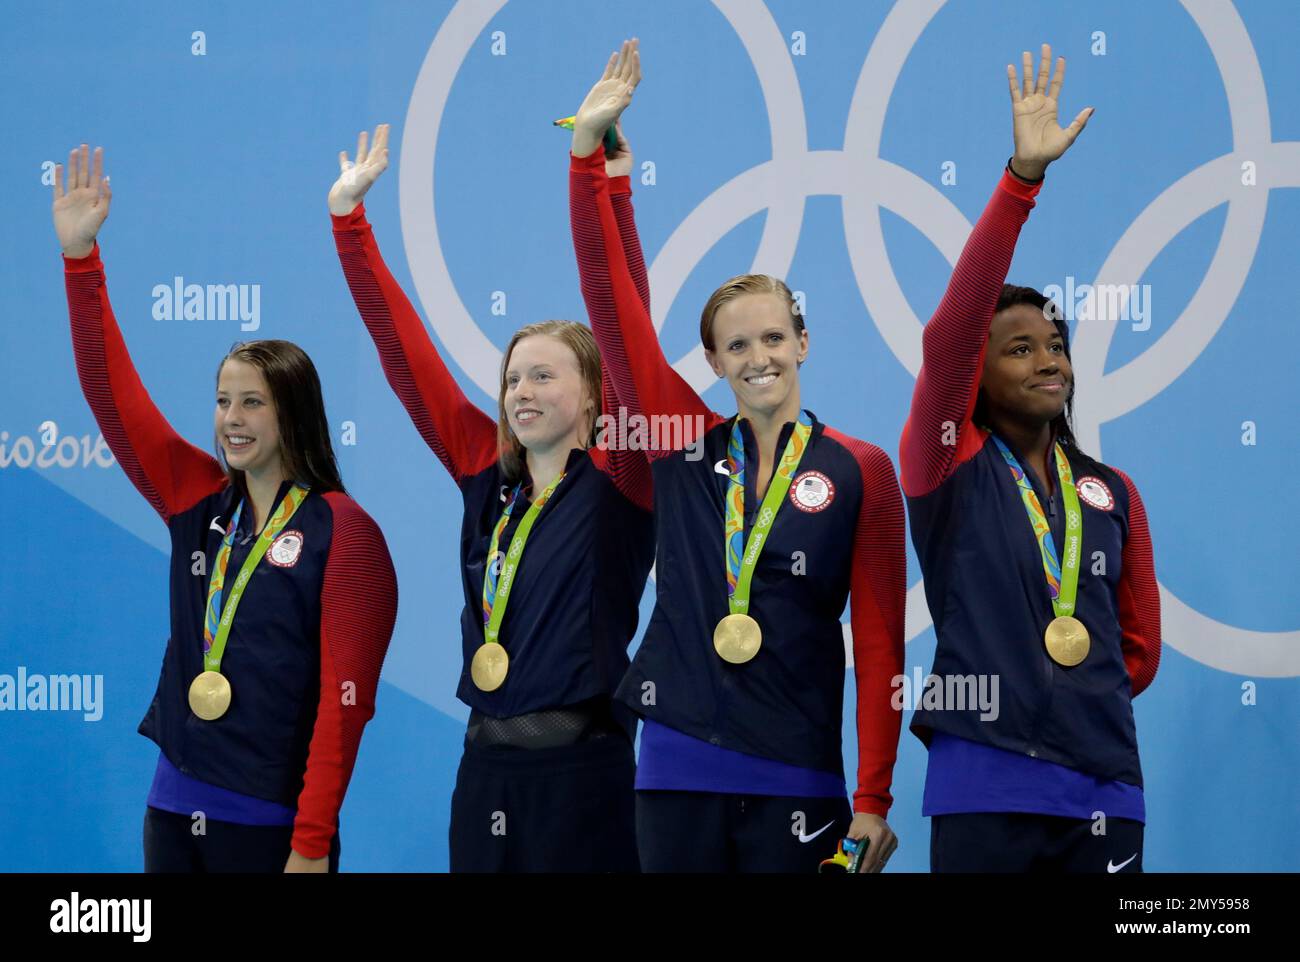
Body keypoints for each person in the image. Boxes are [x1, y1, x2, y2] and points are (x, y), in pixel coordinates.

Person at [569, 40, 905, 873]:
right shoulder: (680, 443)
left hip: (800, 773)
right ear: (712, 365)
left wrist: (872, 797)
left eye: (773, 337)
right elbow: (614, 310)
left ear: (804, 342)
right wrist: (591, 166)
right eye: (735, 345)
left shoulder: (862, 469)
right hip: (676, 768)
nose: (759, 357)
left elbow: (882, 640)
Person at [53, 144, 398, 873]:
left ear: (294, 413)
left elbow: (345, 706)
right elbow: (112, 398)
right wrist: (82, 263)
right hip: (173, 810)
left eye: (252, 402)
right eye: (221, 401)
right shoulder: (197, 498)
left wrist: (310, 844)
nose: (231, 419)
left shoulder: (346, 532)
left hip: (271, 825)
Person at [327, 124, 654, 872]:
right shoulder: (485, 471)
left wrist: (613, 191)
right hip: (483, 771)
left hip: (586, 772)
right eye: (513, 378)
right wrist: (351, 226)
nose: (521, 391)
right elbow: (402, 350)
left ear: (597, 394)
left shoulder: (623, 478)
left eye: (544, 375)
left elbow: (628, 322)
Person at [899, 45, 1161, 872]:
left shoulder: (1111, 492)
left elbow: (1137, 647)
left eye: (1056, 345)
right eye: (1019, 349)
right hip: (984, 783)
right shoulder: (944, 464)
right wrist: (1020, 180)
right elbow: (949, 334)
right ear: (976, 377)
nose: (1050, 360)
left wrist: (1075, 697)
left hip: (1106, 786)